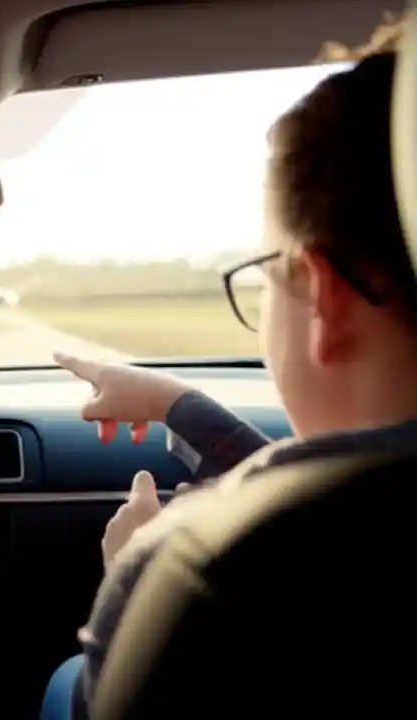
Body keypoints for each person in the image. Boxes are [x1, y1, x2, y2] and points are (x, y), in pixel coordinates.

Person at [46, 42, 415, 719]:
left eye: (267, 272)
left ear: (325, 300)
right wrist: (174, 404)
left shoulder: (203, 576)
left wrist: (136, 581)